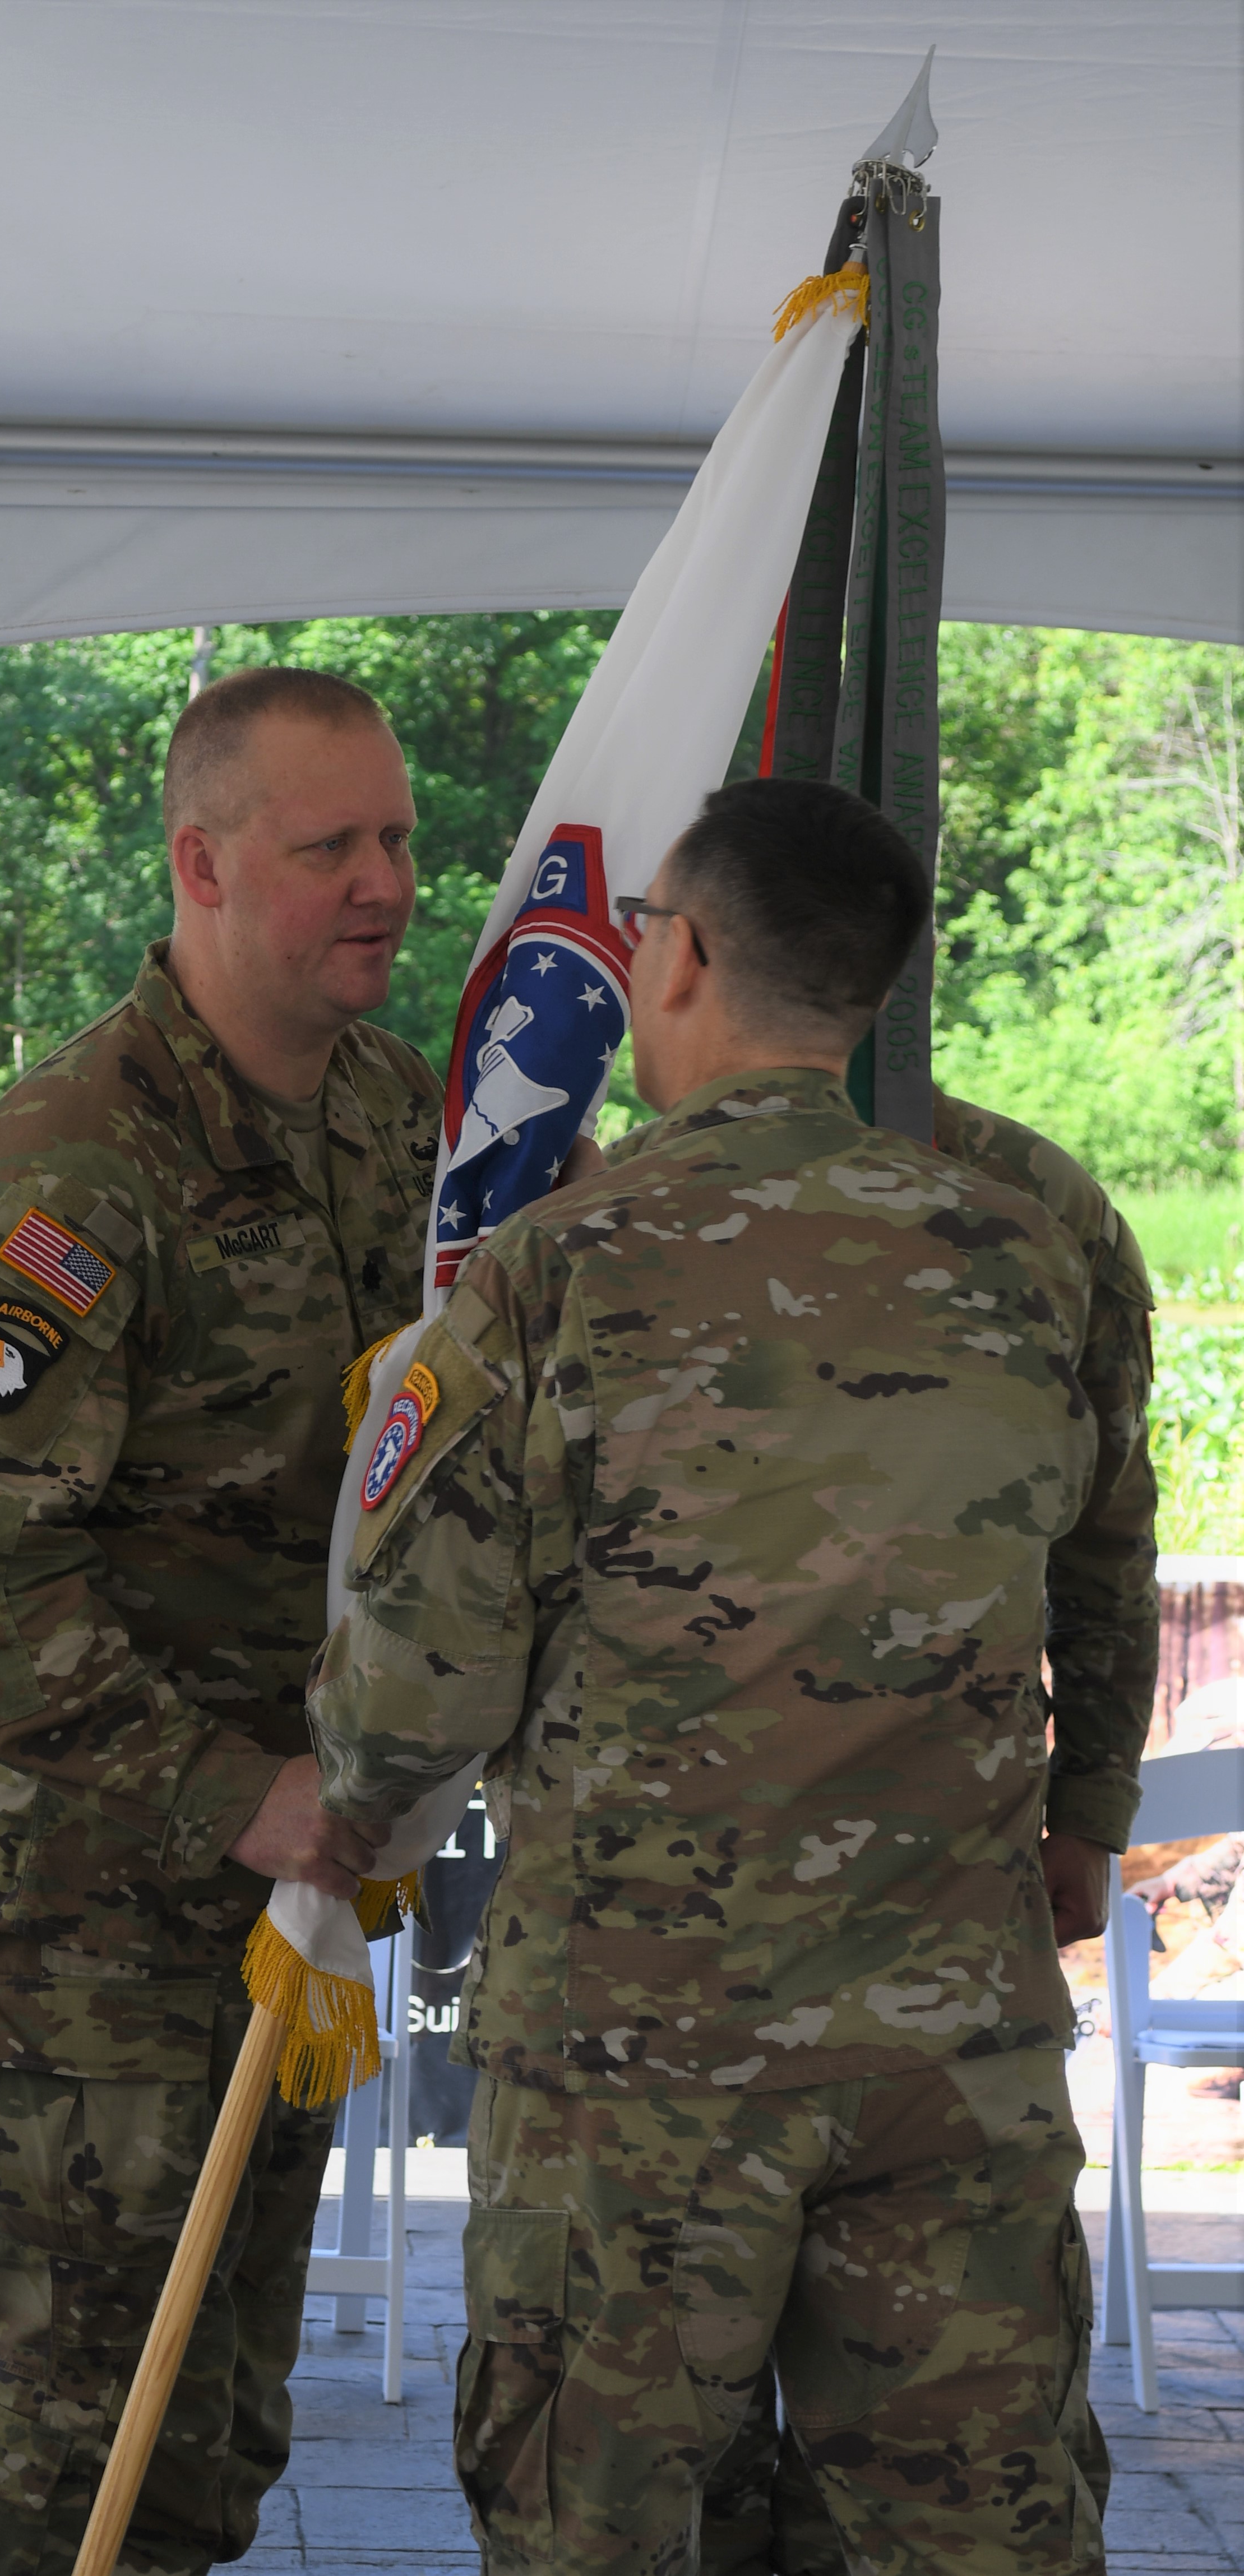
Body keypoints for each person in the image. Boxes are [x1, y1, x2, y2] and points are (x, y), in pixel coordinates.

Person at [307, 775, 1118, 2575]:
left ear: (674, 959)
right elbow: (1106, 1572)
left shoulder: (554, 1271)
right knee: (965, 2537)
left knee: (597, 2526)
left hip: (632, 2061)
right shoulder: (1029, 1245)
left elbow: (429, 1673)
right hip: (949, 2052)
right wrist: (1091, 1818)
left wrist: (344, 1812)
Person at [0, 665, 437, 2576]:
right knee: (86, 2438)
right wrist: (234, 1788)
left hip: (297, 1872)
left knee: (213, 2430)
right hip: (107, 1893)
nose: (386, 880)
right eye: (333, 846)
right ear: (204, 863)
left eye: (396, 836)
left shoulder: (398, 1115)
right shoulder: (75, 1165)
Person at [693, 1082, 1159, 2573]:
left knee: (944, 2487)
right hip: (676, 1988)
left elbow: (1106, 1533)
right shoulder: (608, 1211)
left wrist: (1089, 1802)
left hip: (915, 1990)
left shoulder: (1042, 1209)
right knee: (669, 2493)